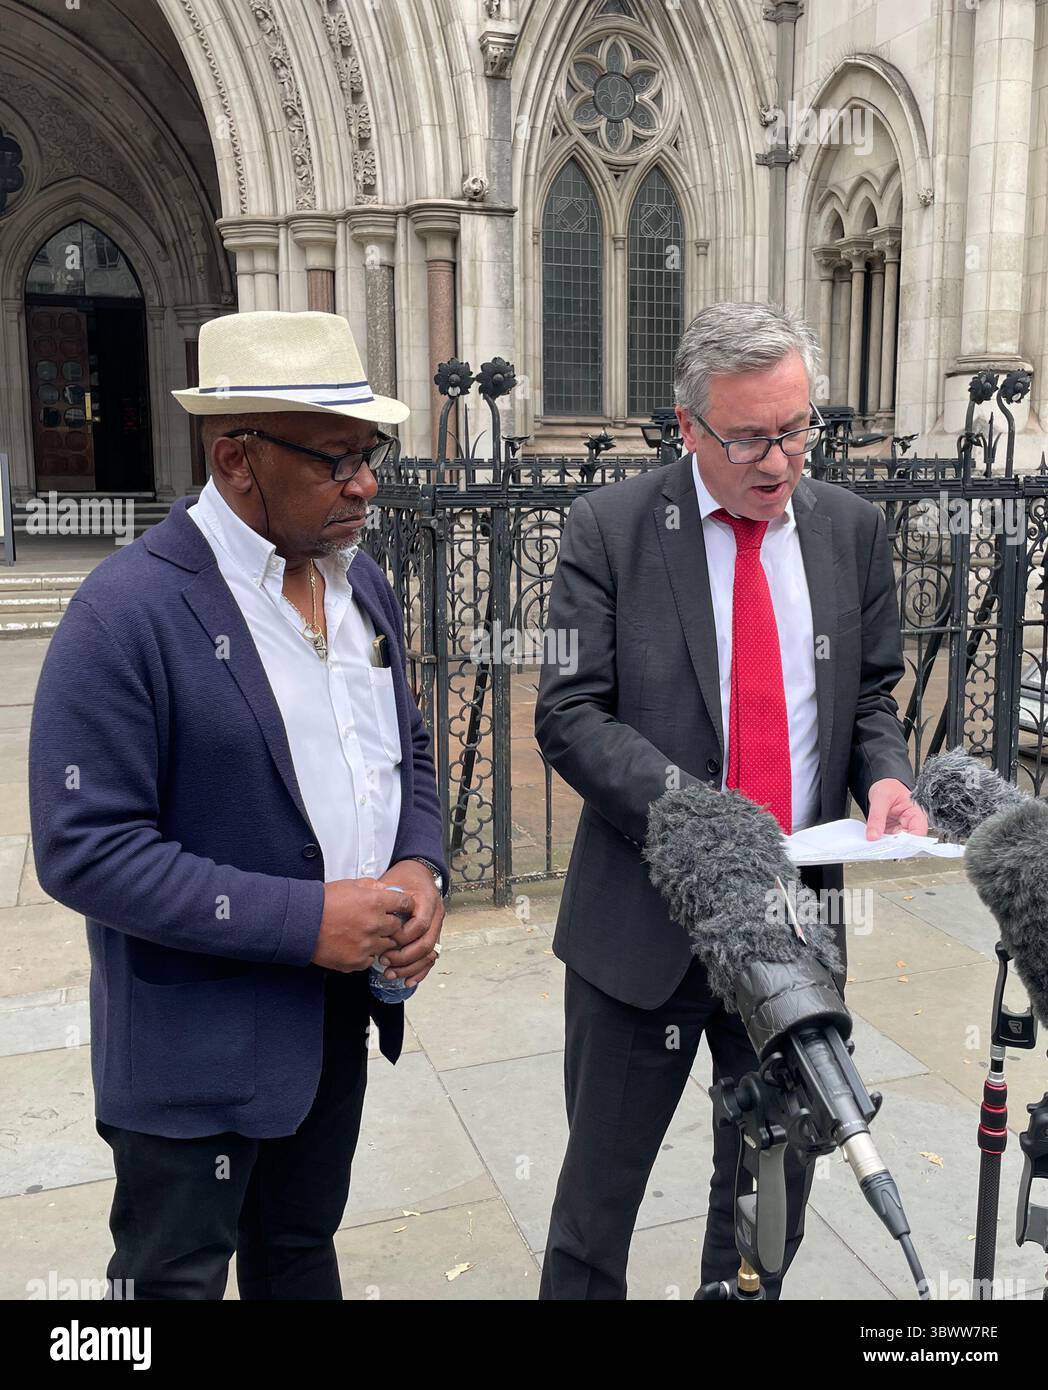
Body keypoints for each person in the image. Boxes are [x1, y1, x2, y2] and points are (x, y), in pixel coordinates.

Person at [28, 310, 449, 1300]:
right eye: (336, 458)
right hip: (193, 1055)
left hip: (331, 1025)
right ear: (235, 461)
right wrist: (307, 919)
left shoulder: (362, 589)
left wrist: (417, 864)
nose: (366, 483)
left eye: (370, 453)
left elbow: (409, 750)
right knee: (170, 1281)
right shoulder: (126, 612)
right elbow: (83, 849)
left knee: (299, 1256)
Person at [535, 300, 927, 1299]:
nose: (779, 460)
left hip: (794, 924)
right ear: (686, 426)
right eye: (748, 436)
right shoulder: (609, 529)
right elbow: (570, 714)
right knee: (594, 1210)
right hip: (643, 927)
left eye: (796, 430)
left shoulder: (849, 530)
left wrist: (883, 773)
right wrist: (698, 820)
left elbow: (869, 696)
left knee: (768, 1202)